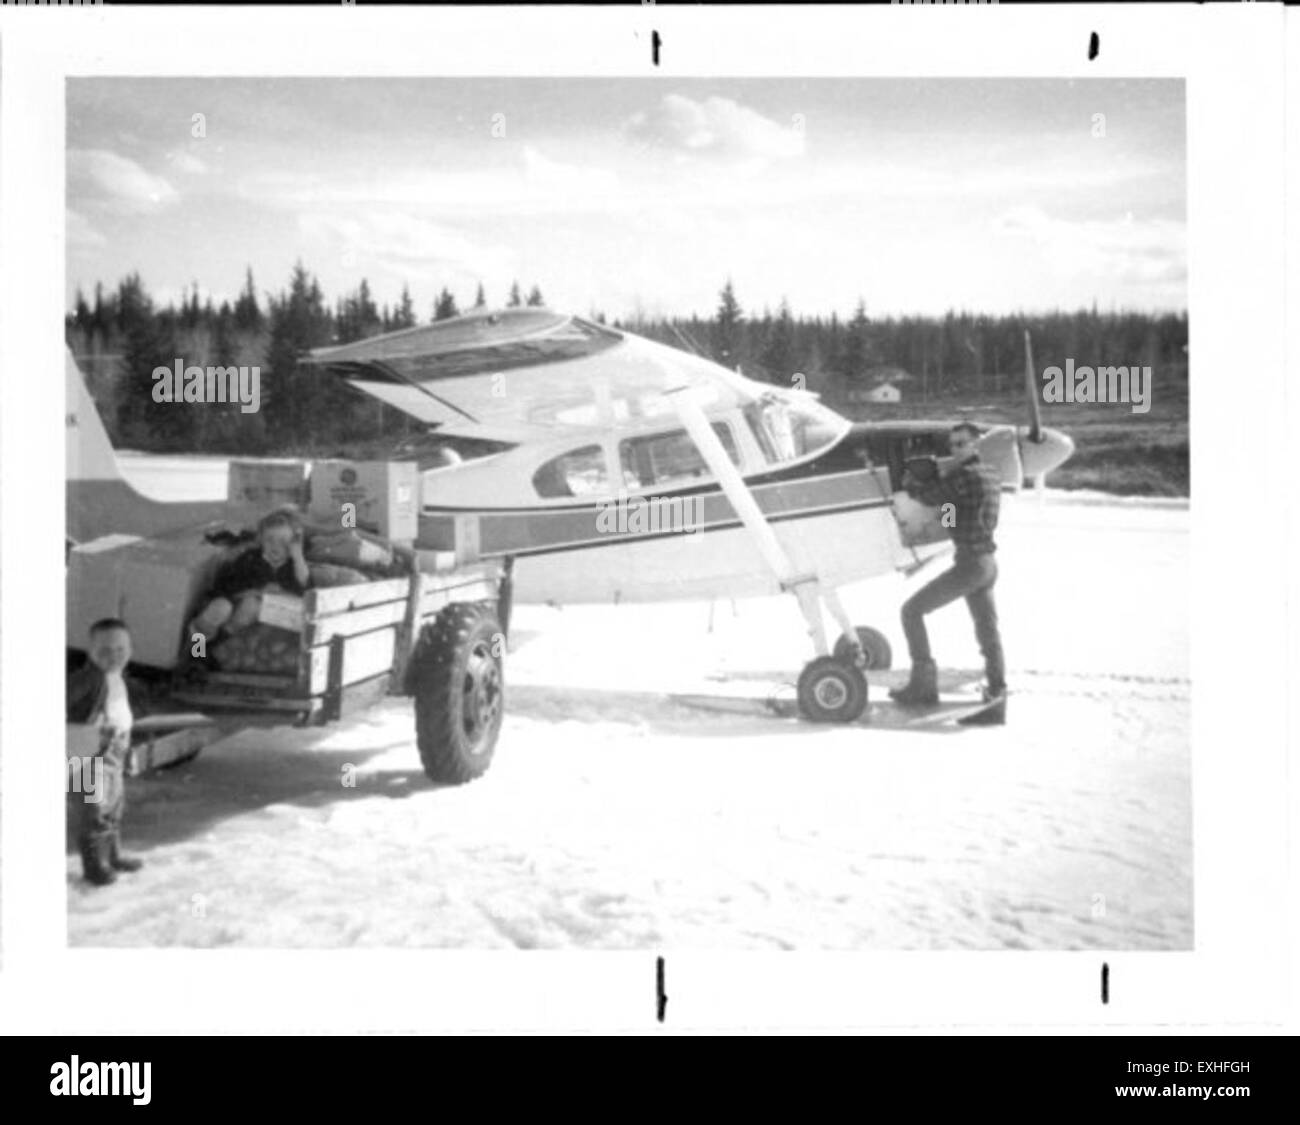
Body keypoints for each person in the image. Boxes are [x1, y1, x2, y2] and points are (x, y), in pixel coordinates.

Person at [890, 422, 1007, 724]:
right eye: (951, 444)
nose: (954, 450)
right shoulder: (991, 473)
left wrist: (908, 481)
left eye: (960, 444)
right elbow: (952, 508)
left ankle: (923, 686)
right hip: (986, 563)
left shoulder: (965, 476)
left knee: (911, 611)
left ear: (974, 445)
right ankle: (997, 696)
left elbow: (928, 496)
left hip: (970, 565)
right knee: (987, 631)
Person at [66, 618, 149, 885]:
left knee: (112, 805)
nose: (113, 656)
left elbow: (122, 716)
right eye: (104, 651)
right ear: (89, 651)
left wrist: (127, 752)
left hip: (114, 751)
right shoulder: (88, 679)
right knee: (91, 809)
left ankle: (112, 856)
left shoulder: (118, 679)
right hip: (84, 754)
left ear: (131, 650)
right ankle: (94, 866)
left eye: (120, 650)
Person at [190, 508, 311, 644]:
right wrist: (256, 591)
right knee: (221, 608)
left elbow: (305, 586)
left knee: (251, 605)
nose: (275, 546)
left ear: (293, 545)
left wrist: (298, 557)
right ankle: (196, 650)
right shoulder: (250, 559)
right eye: (269, 539)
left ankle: (218, 643)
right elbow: (225, 587)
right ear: (260, 540)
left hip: (253, 616)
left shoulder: (293, 565)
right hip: (232, 601)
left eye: (283, 541)